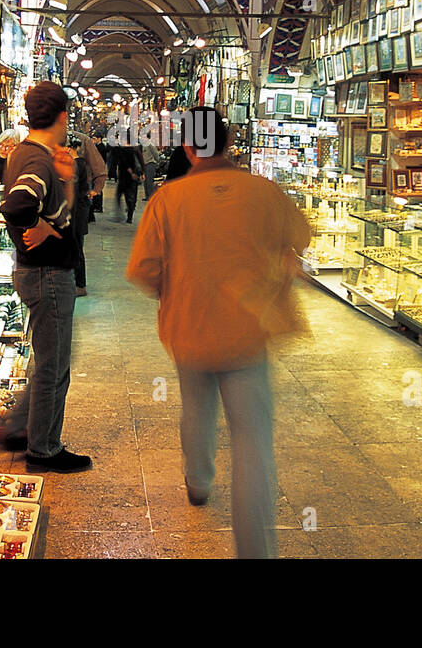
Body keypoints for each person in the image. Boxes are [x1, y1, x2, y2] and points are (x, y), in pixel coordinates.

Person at [126, 107, 309, 559]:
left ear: (187, 148)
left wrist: (176, 290)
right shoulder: (264, 192)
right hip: (248, 331)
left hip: (190, 329)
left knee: (196, 409)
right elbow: (300, 237)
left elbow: (144, 269)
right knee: (252, 439)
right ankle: (256, 549)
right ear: (228, 144)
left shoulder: (169, 200)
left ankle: (199, 480)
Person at [0, 82, 92, 472]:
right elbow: (18, 203)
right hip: (48, 273)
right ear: (62, 116)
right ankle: (43, 449)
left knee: (49, 360)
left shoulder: (29, 152)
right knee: (53, 366)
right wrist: (37, 224)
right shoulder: (36, 160)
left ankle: (26, 429)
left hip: (40, 270)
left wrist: (66, 182)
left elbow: (63, 216)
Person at [68, 141, 93, 297]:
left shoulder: (76, 166)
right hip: (79, 212)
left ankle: (80, 284)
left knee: (76, 248)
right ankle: (78, 283)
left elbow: (74, 193)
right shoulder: (80, 163)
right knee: (77, 247)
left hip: (77, 214)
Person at [114, 144, 144, 223]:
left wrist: (131, 173)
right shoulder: (136, 150)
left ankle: (120, 215)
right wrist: (142, 173)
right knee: (131, 197)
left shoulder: (122, 151)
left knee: (119, 195)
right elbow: (141, 162)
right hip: (134, 177)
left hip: (124, 176)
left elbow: (123, 163)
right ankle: (129, 217)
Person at [83, 131, 108, 217]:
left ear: (99, 139)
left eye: (94, 138)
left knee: (97, 191)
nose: (93, 140)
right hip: (95, 171)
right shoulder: (96, 147)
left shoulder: (101, 148)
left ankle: (98, 207)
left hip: (97, 171)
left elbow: (99, 161)